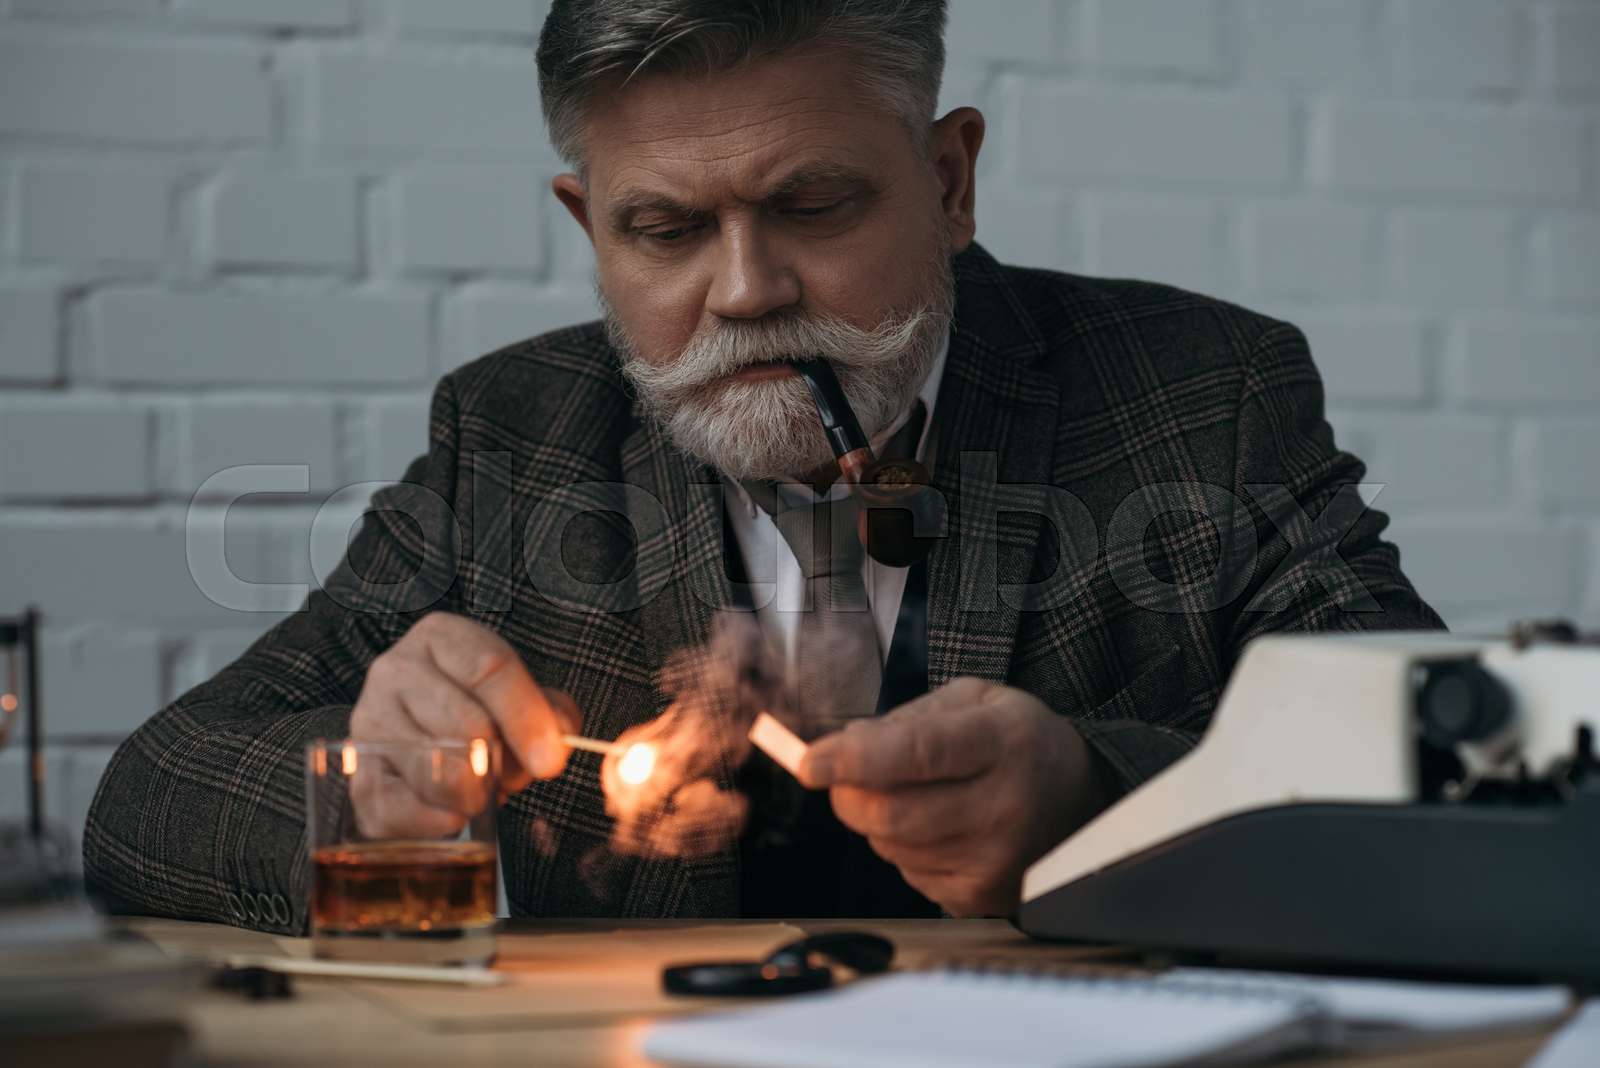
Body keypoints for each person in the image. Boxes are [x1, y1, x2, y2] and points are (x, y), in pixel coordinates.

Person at [84, 0, 1441, 932]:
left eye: (812, 204)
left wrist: (1100, 802)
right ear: (588, 225)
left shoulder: (1203, 398)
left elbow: (1450, 789)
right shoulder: (509, 433)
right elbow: (149, 797)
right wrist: (369, 798)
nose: (745, 292)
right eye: (665, 229)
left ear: (951, 179)